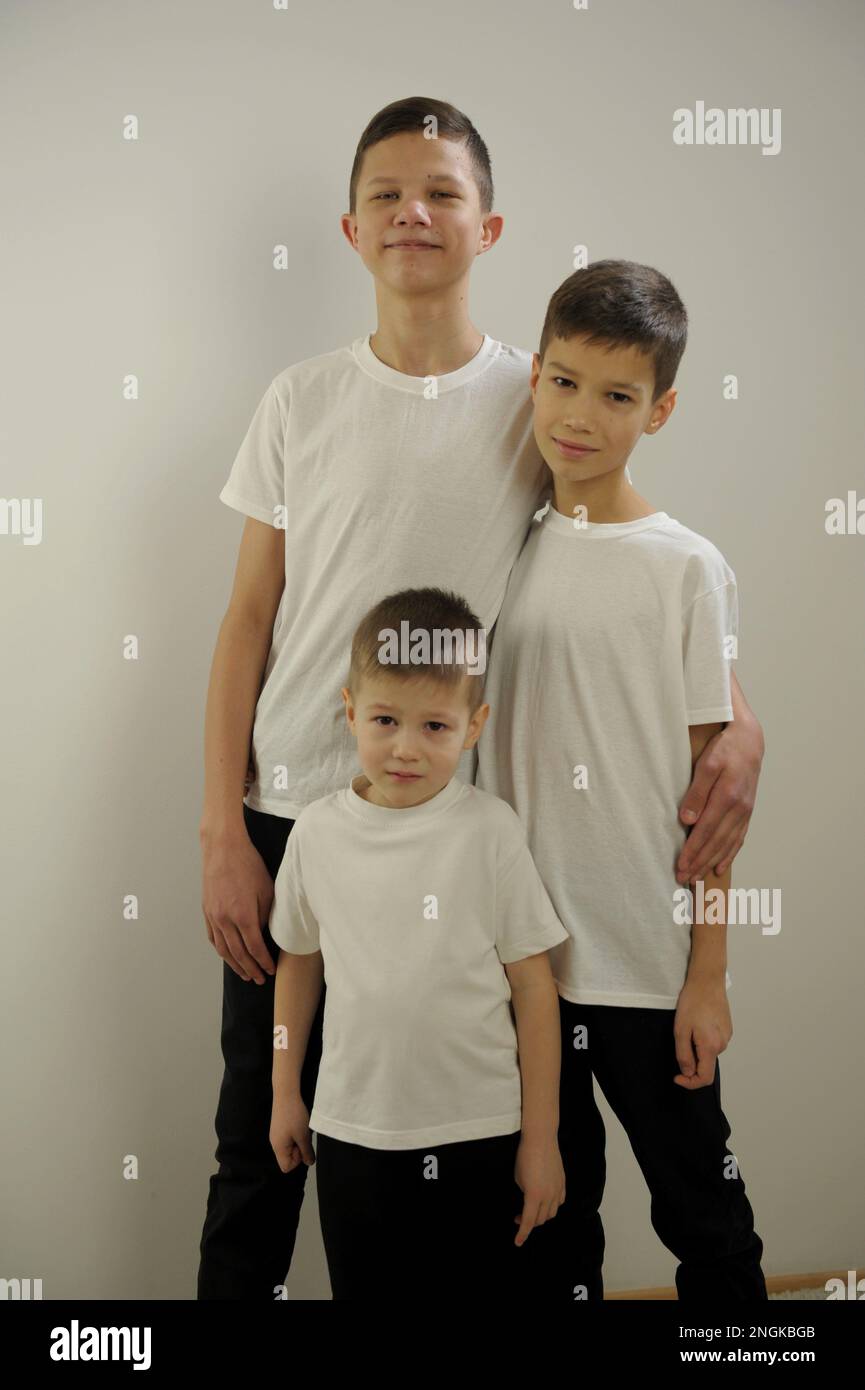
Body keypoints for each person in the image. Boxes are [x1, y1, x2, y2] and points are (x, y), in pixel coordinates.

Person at [197, 97, 765, 1300]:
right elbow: (247, 619)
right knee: (261, 1136)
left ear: (488, 226)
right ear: (349, 227)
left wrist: (739, 716)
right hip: (295, 806)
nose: (414, 212)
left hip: (453, 824)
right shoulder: (298, 400)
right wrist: (217, 827)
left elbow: (630, 566)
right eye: (389, 194)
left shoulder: (536, 400)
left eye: (443, 192)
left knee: (479, 1137)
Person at [475, 258, 768, 1300]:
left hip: (646, 963)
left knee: (704, 1213)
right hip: (527, 966)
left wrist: (708, 974)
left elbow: (711, 795)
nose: (580, 415)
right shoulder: (501, 546)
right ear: (534, 380)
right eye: (562, 381)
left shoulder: (685, 566)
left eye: (616, 395)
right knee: (551, 1223)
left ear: (661, 408)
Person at [267, 587, 578, 1300]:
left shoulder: (490, 832)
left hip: (480, 1131)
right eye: (384, 719)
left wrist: (540, 1139)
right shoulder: (315, 834)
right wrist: (286, 1093)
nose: (405, 748)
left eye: (434, 726)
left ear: (473, 726)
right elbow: (297, 969)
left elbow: (534, 987)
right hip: (354, 1133)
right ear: (349, 710)